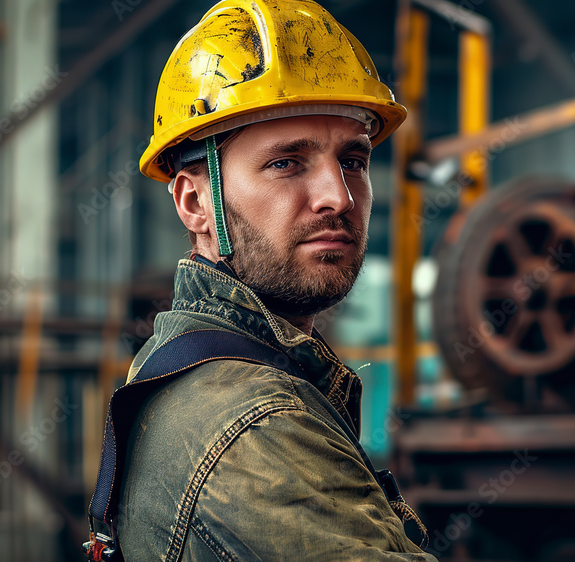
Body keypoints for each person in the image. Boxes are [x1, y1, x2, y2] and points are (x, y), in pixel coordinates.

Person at [92, 1, 436, 560]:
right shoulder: (259, 426)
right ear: (195, 202)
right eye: (286, 163)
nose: (339, 197)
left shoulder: (191, 361)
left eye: (353, 160)